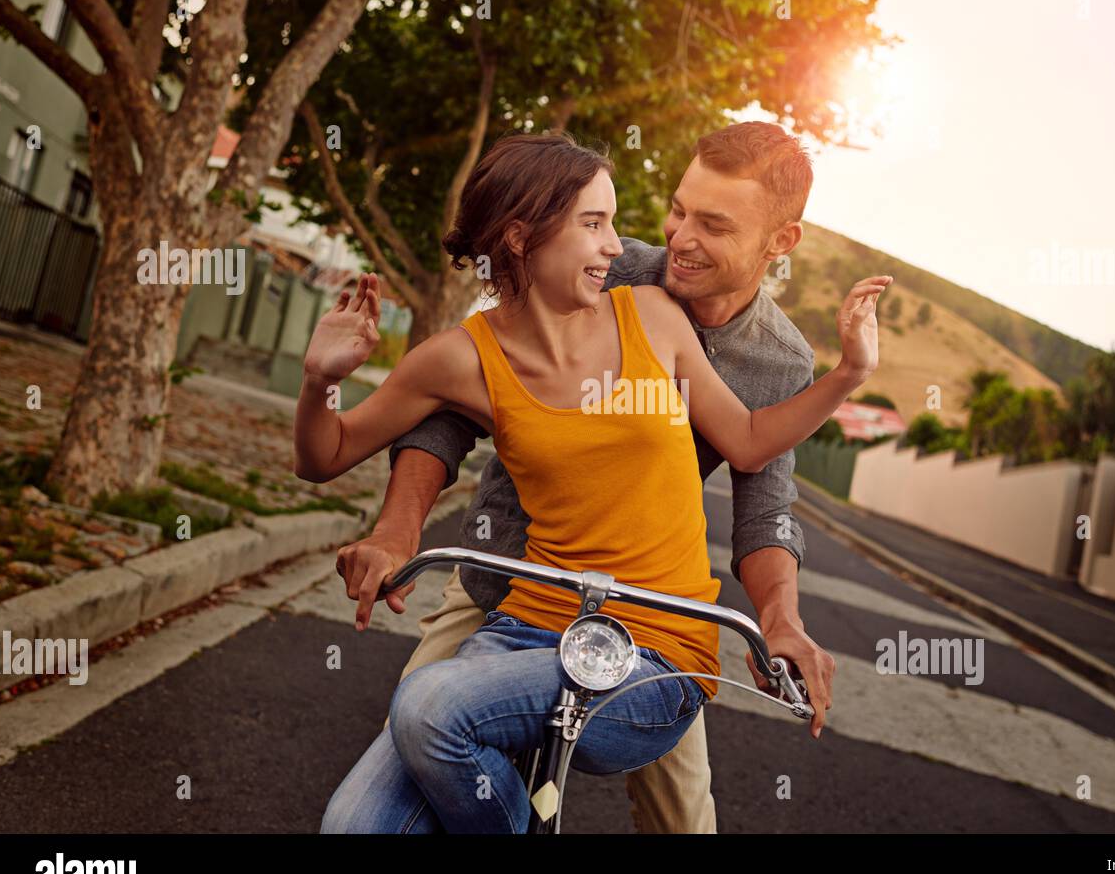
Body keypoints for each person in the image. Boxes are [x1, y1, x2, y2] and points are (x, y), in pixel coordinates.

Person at [301, 129, 888, 833]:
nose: (678, 237)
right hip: (511, 575)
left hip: (654, 612)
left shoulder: (767, 354)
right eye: (678, 209)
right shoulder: (605, 271)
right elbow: (445, 416)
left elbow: (763, 489)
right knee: (411, 754)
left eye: (714, 224)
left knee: (679, 821)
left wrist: (781, 621)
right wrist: (395, 531)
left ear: (779, 241)